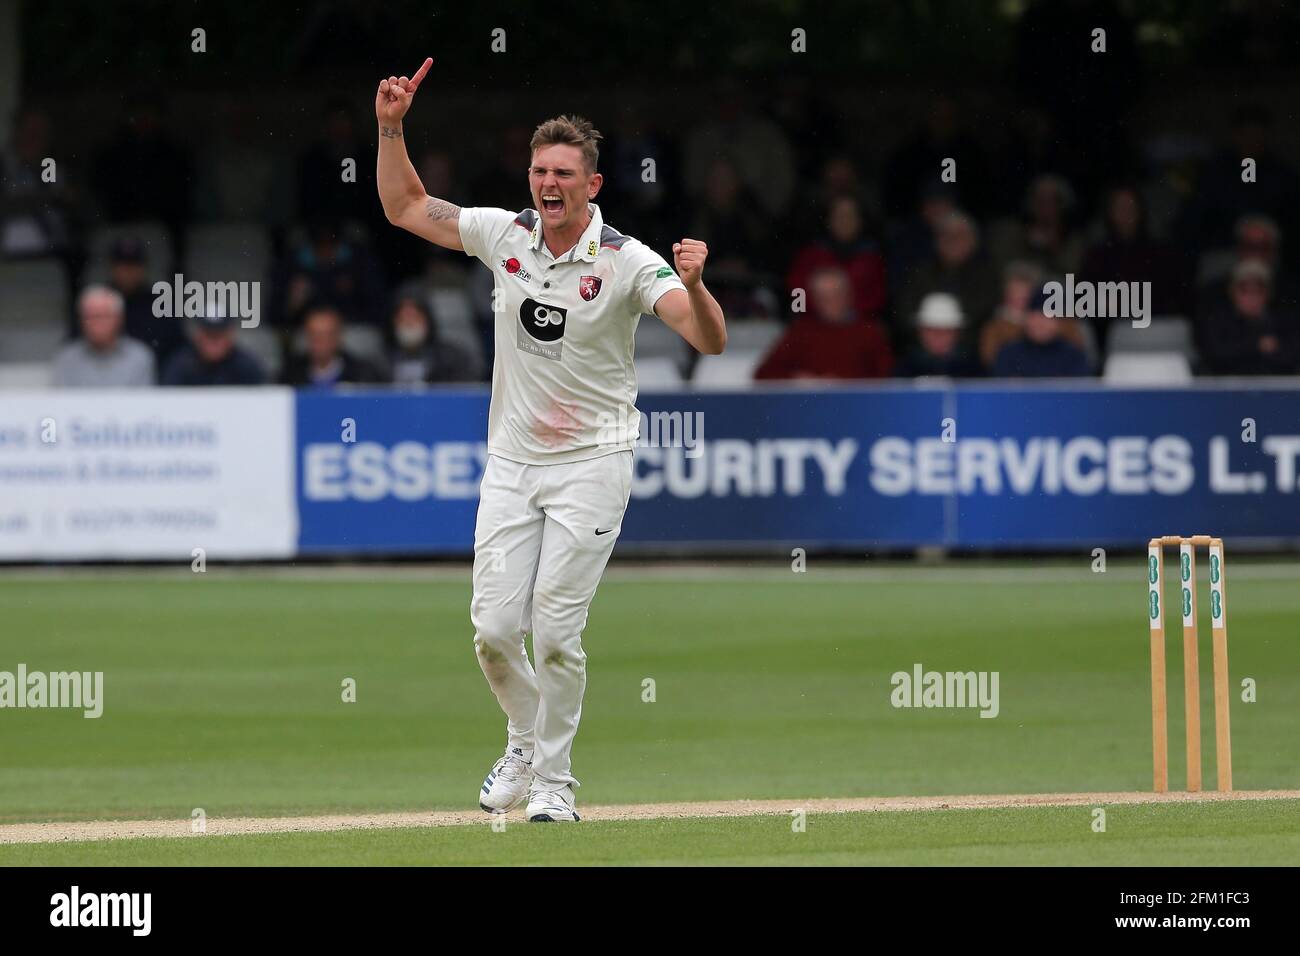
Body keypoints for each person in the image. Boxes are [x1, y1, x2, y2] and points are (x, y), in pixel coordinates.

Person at [375, 59, 725, 823]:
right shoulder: (505, 235)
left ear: (592, 185)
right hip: (511, 463)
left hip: (594, 463)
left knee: (557, 632)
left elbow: (707, 338)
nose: (549, 183)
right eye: (539, 170)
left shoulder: (628, 262)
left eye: (565, 172)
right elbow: (404, 206)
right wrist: (392, 126)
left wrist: (697, 285)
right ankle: (524, 743)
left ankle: (557, 786)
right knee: (496, 631)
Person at [754, 266, 893, 380]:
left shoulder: (869, 332)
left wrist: (846, 384)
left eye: (836, 295)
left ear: (848, 295)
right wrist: (796, 379)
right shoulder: (801, 332)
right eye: (824, 297)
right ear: (815, 299)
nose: (831, 302)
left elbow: (887, 377)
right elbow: (763, 374)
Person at [1200, 260, 1300, 375]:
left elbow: (1292, 355)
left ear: (1268, 293)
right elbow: (1214, 355)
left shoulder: (1284, 320)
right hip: (1228, 387)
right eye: (1244, 291)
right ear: (1232, 292)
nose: (1251, 298)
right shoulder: (1218, 320)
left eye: (1258, 291)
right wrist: (1257, 346)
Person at [51, 286, 155, 388]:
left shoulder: (140, 357)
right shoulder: (66, 358)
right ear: (80, 320)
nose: (97, 323)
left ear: (119, 318)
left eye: (103, 316)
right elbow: (62, 402)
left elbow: (142, 402)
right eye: (90, 317)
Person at [991, 289, 1091, 378]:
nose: (1041, 323)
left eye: (1049, 317)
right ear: (1027, 318)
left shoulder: (1073, 357)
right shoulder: (1009, 354)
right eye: (1037, 315)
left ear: (1058, 322)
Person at [281, 302, 384, 387]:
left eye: (326, 334)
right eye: (314, 334)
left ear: (338, 337)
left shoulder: (362, 374)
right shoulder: (289, 375)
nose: (320, 340)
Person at [385, 296, 476, 385]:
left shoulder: (452, 359)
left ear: (427, 320)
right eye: (403, 318)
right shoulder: (380, 361)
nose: (409, 323)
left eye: (414, 317)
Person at [161, 310, 266, 386]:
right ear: (198, 335)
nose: (213, 342)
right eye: (209, 335)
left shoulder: (247, 366)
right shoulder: (180, 365)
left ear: (231, 335)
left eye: (219, 335)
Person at [894, 293, 981, 378]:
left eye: (946, 331)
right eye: (931, 330)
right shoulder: (906, 366)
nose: (938, 336)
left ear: (957, 333)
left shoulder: (973, 367)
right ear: (920, 332)